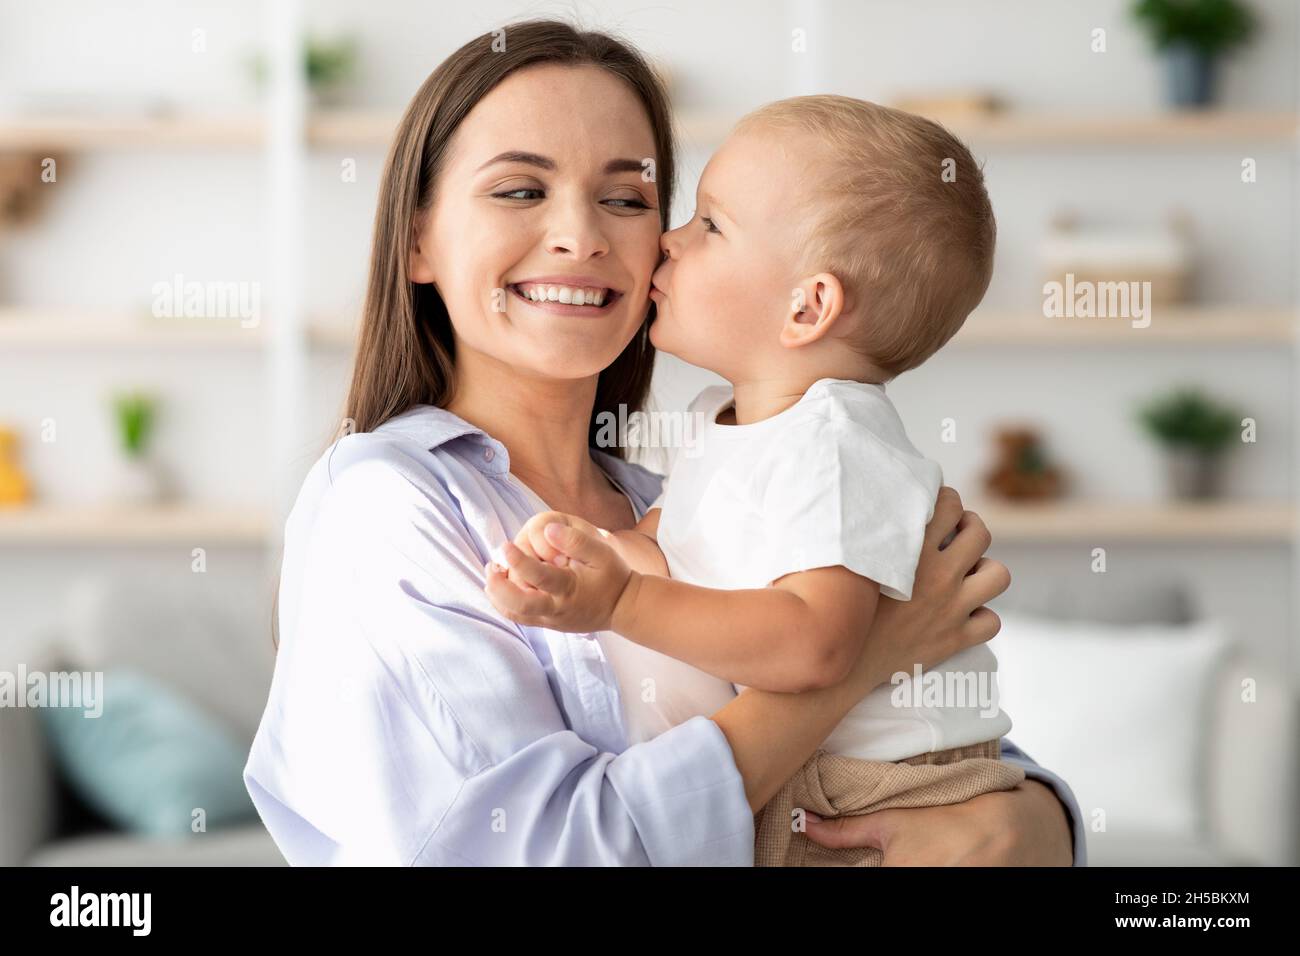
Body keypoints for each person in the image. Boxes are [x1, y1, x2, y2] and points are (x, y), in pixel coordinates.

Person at [243, 19, 1084, 866]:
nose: (583, 236)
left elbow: (942, 763)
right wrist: (857, 664)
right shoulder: (390, 504)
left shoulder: (686, 495)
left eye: (628, 198)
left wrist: (1035, 826)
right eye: (521, 191)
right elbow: (536, 852)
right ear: (419, 238)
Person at [484, 94, 1026, 866]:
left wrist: (623, 600)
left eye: (709, 225)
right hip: (818, 771)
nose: (667, 240)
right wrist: (597, 554)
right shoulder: (726, 419)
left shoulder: (838, 446)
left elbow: (813, 645)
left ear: (809, 307)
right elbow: (678, 543)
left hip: (885, 788)